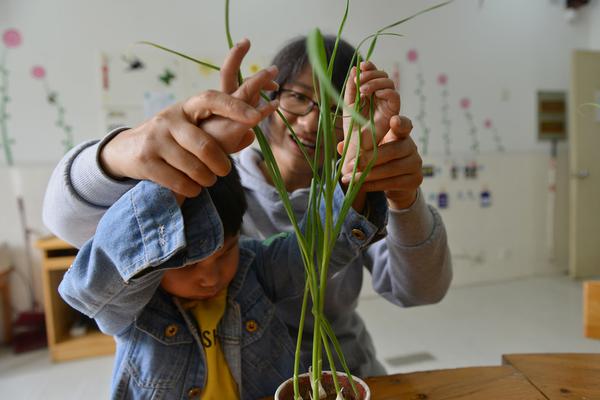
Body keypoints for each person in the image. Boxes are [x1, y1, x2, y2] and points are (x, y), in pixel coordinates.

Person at [43, 36, 452, 377]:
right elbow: (69, 227)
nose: (311, 123)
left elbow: (420, 291)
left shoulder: (351, 199)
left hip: (341, 375)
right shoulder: (208, 182)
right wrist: (122, 151)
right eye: (299, 97)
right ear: (268, 97)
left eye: (334, 109)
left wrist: (402, 197)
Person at [59, 156, 388, 399]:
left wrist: (353, 178)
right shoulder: (135, 301)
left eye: (226, 252)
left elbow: (316, 248)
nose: (211, 277)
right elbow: (91, 289)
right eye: (187, 265)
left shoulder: (254, 268)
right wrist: (166, 192)